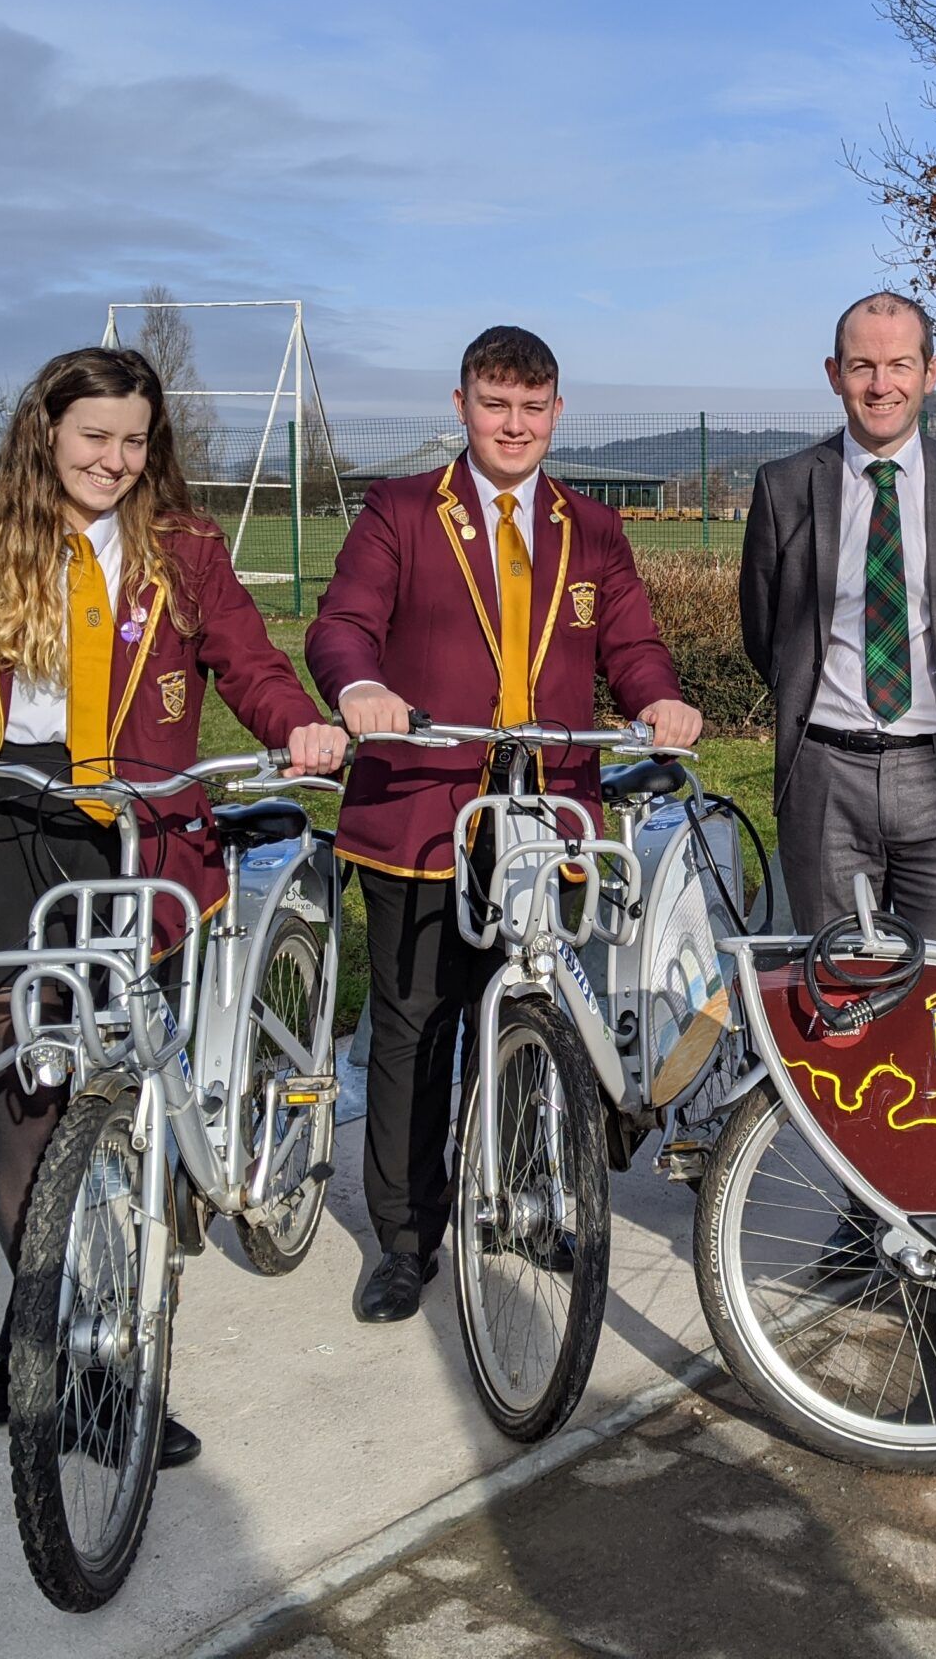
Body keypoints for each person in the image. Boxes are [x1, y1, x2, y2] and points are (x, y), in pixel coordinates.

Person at [0, 346, 347, 1459]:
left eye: (135, 440)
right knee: (30, 1104)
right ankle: (81, 1369)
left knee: (123, 1098)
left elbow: (249, 662)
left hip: (137, 831)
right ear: (45, 432)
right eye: (94, 436)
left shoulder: (183, 549)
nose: (115, 459)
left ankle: (33, 1344)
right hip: (1, 826)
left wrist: (295, 722)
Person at [309, 325, 702, 1324]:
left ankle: (522, 1203)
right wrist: (358, 688)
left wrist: (658, 698)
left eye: (532, 408)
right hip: (422, 809)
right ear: (462, 407)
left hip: (546, 815)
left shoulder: (591, 527)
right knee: (414, 1024)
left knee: (533, 1006)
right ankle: (405, 1239)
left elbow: (631, 643)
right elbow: (342, 623)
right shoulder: (401, 511)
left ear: (557, 413)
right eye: (495, 405)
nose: (514, 425)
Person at [738, 291, 936, 948]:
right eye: (862, 365)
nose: (880, 384)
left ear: (931, 372)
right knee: (834, 983)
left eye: (900, 365)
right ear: (834, 374)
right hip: (824, 776)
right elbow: (765, 630)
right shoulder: (785, 487)